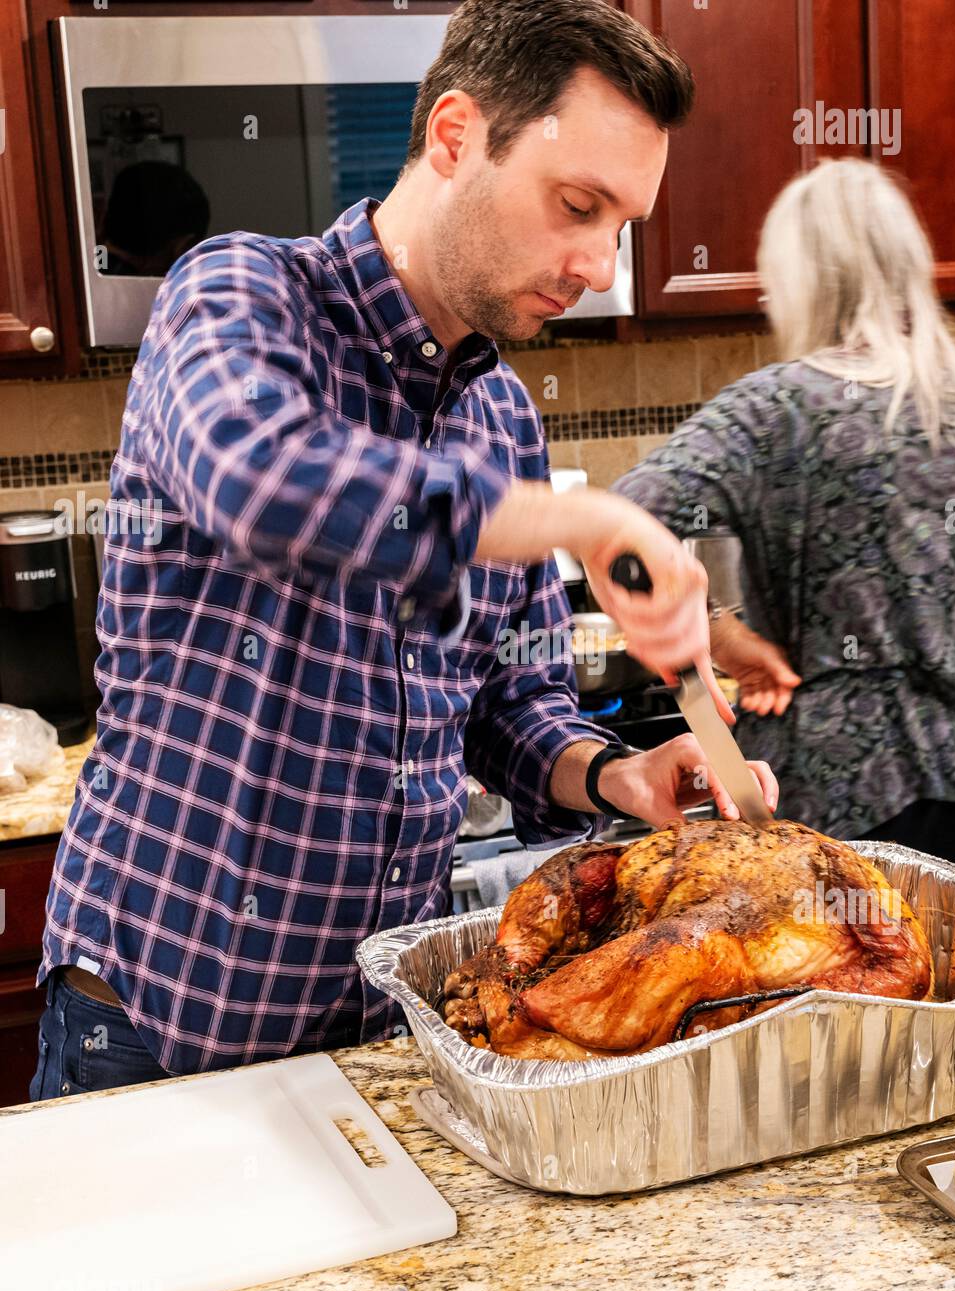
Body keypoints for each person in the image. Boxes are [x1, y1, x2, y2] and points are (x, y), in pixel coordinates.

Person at [32, 0, 779, 1101]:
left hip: (380, 1023)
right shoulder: (239, 296)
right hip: (156, 1018)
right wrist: (584, 521)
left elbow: (508, 710)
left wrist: (616, 776)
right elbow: (266, 482)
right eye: (578, 206)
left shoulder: (501, 422)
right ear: (453, 136)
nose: (595, 263)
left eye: (620, 226)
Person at [614, 157, 955, 891]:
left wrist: (717, 632)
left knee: (832, 1000)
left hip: (822, 802)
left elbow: (624, 521)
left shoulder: (774, 409)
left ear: (799, 280)